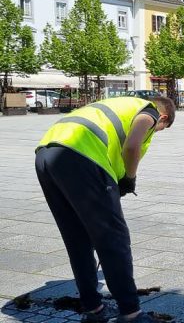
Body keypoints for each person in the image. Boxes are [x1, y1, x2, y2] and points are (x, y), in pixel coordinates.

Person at [35, 96, 176, 323]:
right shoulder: (150, 111)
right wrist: (130, 178)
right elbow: (131, 146)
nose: (155, 131)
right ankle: (131, 313)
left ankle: (93, 310)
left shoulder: (118, 104)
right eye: (160, 129)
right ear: (164, 118)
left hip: (45, 154)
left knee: (77, 238)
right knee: (114, 237)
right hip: (81, 156)